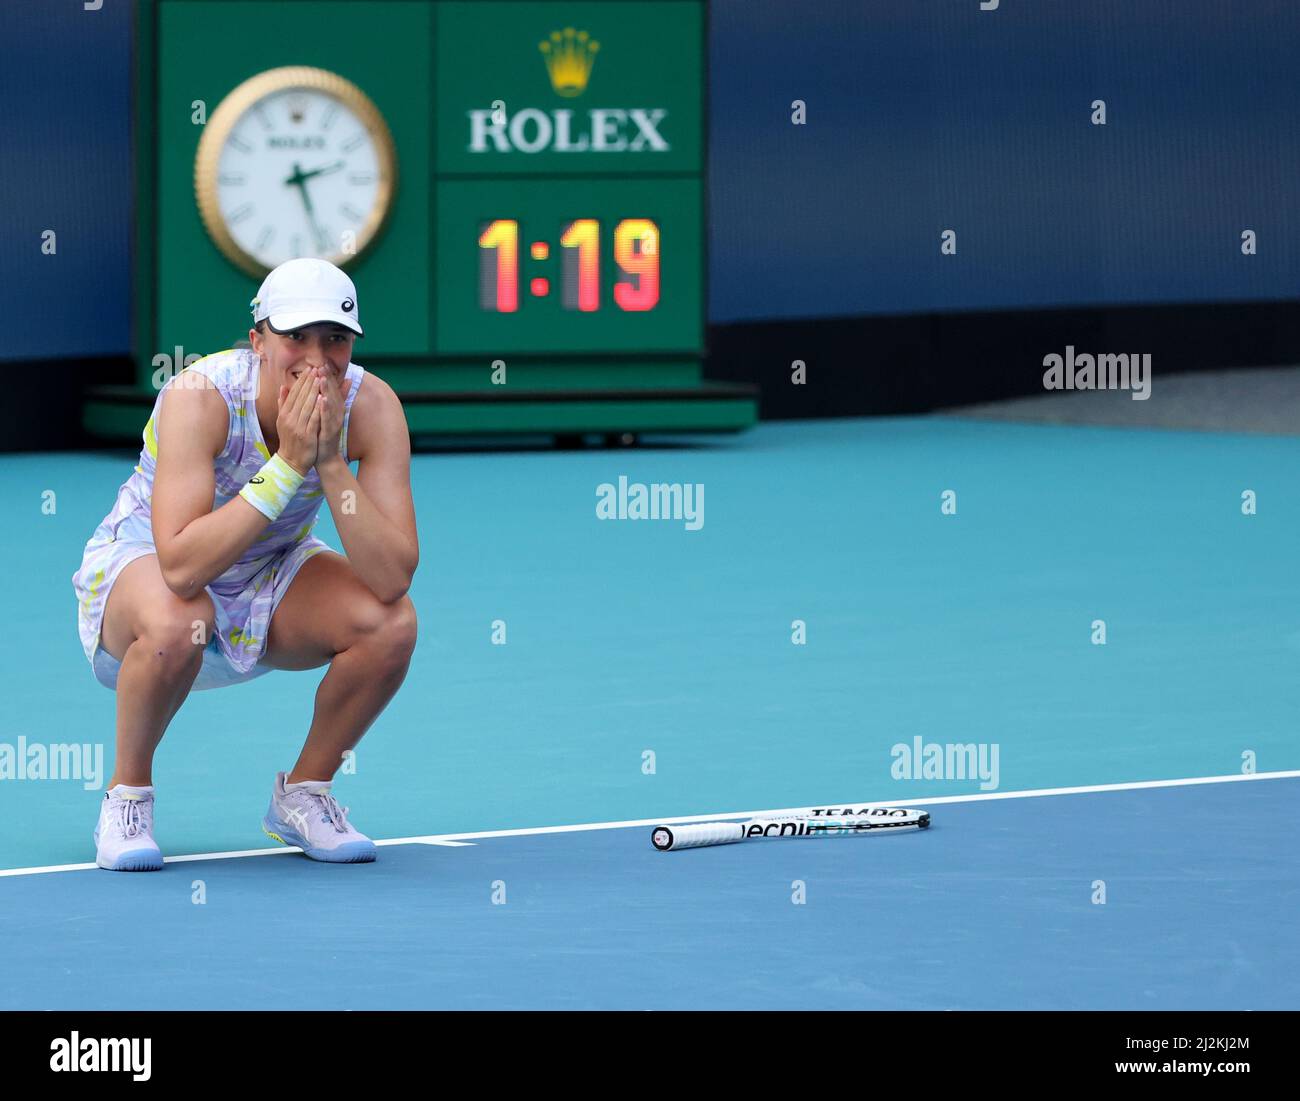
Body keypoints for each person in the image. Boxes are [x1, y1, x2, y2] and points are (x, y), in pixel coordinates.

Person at [71, 258, 419, 871]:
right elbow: (180, 569)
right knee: (182, 614)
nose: (317, 358)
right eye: (296, 338)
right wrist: (288, 463)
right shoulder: (198, 396)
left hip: (272, 572)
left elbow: (391, 577)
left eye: (335, 339)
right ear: (258, 342)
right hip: (148, 577)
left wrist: (331, 462)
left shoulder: (373, 406)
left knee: (389, 623)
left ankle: (303, 796)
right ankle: (127, 796)